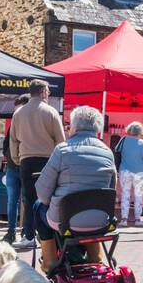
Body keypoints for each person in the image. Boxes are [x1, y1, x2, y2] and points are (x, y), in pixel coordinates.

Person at [32, 105, 115, 270]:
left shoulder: (62, 150)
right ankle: (95, 257)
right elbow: (112, 189)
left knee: (38, 206)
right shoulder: (108, 152)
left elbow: (42, 192)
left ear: (74, 126)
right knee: (87, 215)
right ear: (97, 128)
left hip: (66, 220)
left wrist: (50, 200)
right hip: (100, 220)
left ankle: (49, 261)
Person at [10, 79, 65, 247]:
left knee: (28, 198)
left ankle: (28, 235)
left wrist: (16, 159)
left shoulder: (18, 113)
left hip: (26, 160)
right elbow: (61, 141)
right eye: (47, 91)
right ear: (42, 92)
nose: (48, 94)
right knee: (49, 198)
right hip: (48, 161)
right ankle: (49, 235)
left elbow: (13, 140)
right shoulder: (51, 112)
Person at [1, 94, 29, 246]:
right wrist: (9, 156)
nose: (16, 111)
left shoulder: (29, 122)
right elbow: (6, 143)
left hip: (21, 167)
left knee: (23, 200)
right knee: (14, 201)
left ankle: (25, 231)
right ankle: (13, 231)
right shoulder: (14, 123)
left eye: (18, 107)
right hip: (14, 167)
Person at [115, 121, 143, 227]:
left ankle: (124, 219)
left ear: (129, 130)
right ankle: (138, 219)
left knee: (125, 194)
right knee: (138, 196)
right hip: (139, 172)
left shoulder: (124, 140)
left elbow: (117, 152)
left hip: (125, 171)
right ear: (140, 131)